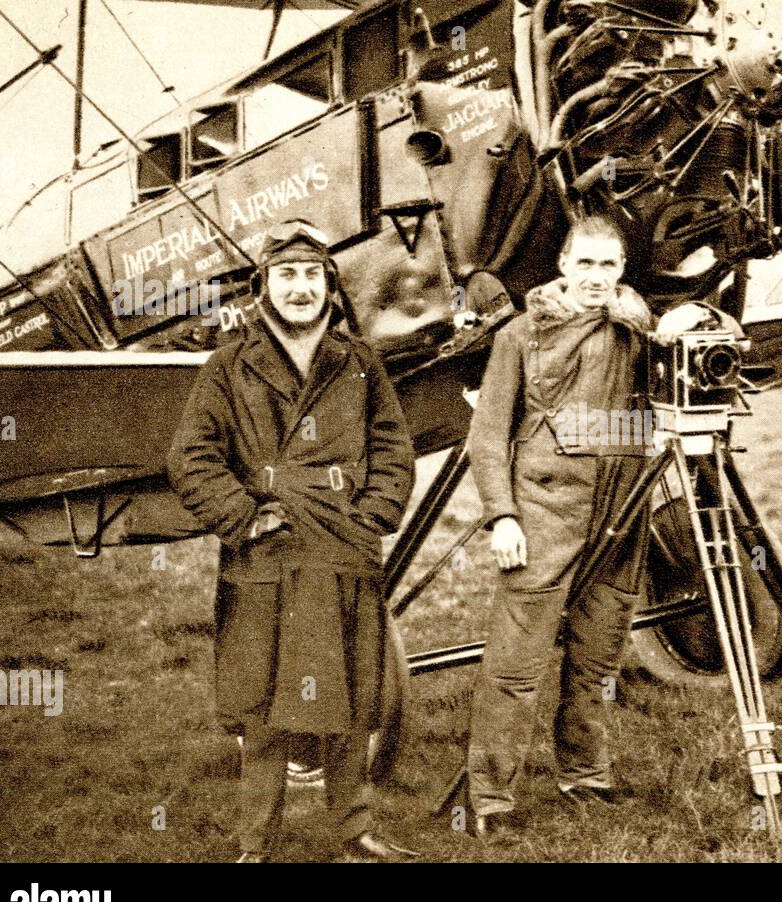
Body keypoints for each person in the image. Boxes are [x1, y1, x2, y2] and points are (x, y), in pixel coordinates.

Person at [167, 219, 417, 861]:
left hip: (345, 542)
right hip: (268, 550)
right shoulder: (229, 366)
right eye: (287, 275)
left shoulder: (358, 362)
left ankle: (353, 832)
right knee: (265, 701)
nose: (300, 288)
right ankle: (257, 844)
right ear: (265, 286)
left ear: (329, 286)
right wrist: (247, 517)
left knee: (353, 695)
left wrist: (374, 513)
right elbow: (191, 456)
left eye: (312, 275)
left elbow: (392, 445)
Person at [465, 215, 703, 837]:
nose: (597, 278)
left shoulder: (637, 329)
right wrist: (503, 516)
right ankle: (491, 798)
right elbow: (488, 436)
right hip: (544, 513)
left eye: (609, 265)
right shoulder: (521, 334)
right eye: (586, 264)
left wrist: (681, 330)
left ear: (622, 271)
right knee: (516, 665)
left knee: (598, 658)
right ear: (565, 267)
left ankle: (586, 776)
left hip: (621, 516)